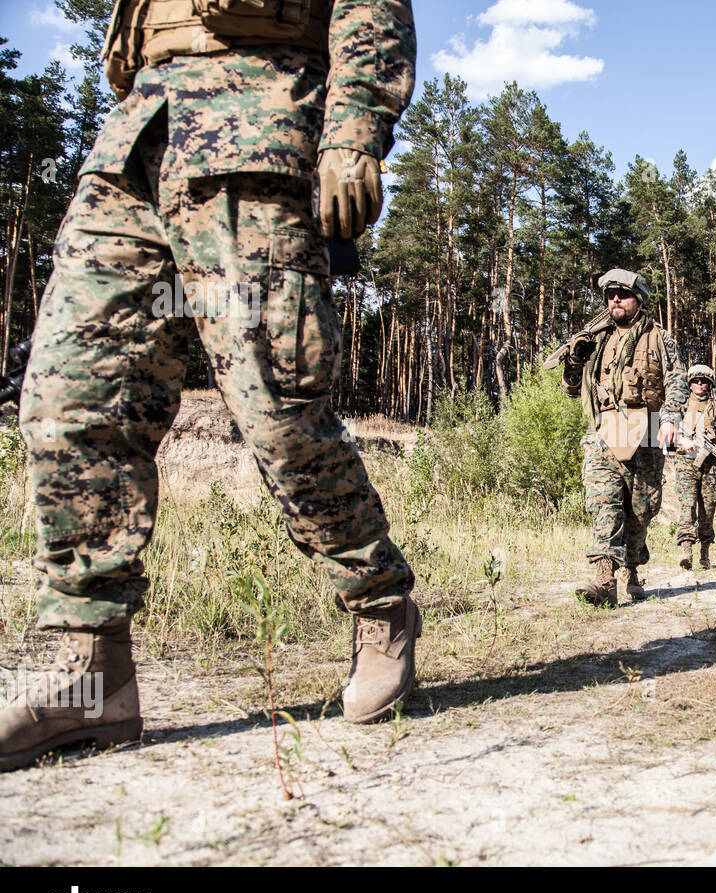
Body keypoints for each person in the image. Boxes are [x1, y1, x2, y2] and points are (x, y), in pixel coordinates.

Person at [1, 0, 419, 772]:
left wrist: (355, 130)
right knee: (71, 399)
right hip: (136, 139)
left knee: (276, 407)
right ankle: (90, 671)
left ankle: (379, 604)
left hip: (255, 126)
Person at [562, 269, 686, 605]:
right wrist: (574, 360)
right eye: (611, 294)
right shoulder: (596, 338)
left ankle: (632, 566)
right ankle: (605, 580)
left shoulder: (660, 337)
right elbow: (573, 390)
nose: (615, 299)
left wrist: (670, 417)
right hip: (605, 428)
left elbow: (677, 379)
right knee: (605, 502)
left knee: (640, 508)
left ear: (639, 299)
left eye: (624, 294)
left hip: (646, 427)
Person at [674, 364, 716, 570]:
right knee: (687, 506)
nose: (700, 384)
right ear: (689, 384)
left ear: (710, 384)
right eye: (696, 381)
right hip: (686, 462)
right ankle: (686, 551)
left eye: (704, 381)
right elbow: (666, 432)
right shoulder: (680, 405)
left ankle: (704, 554)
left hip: (711, 466)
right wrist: (682, 442)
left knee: (708, 509)